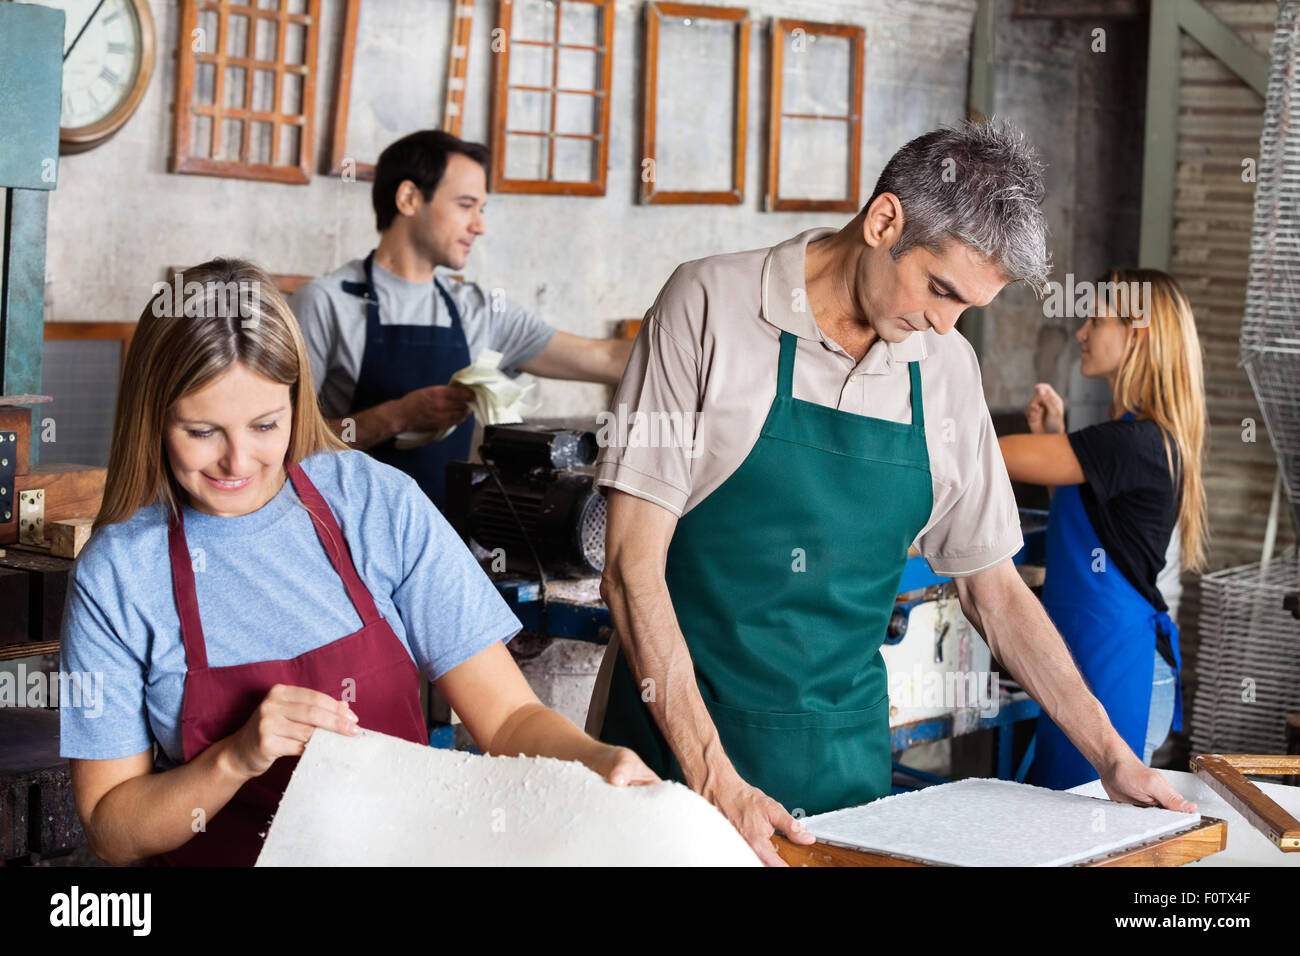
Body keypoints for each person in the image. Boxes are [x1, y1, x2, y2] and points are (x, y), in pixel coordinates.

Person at [587, 121, 1197, 867]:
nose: (944, 324)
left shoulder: (944, 367)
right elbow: (629, 566)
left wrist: (1112, 757)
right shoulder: (708, 303)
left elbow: (995, 591)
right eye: (940, 290)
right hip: (674, 774)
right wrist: (715, 779)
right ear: (883, 222)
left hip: (847, 784)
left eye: (967, 308)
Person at [59, 259, 655, 866]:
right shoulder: (118, 574)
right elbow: (112, 826)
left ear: (297, 400)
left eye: (265, 425)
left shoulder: (372, 502)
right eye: (202, 431)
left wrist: (594, 761)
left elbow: (507, 718)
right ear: (154, 419)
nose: (237, 461)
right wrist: (232, 759)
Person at [291, 129, 633, 510]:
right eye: (466, 205)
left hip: (445, 545)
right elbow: (282, 445)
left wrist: (699, 334)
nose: (479, 225)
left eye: (481, 209)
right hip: (341, 542)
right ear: (408, 198)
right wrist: (395, 417)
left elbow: (606, 358)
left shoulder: (480, 311)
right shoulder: (325, 303)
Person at [998, 269, 1207, 789]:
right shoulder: (1134, 440)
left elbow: (990, 455)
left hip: (1115, 666)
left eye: (1096, 318)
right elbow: (1087, 517)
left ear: (1136, 333)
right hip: (1086, 658)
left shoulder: (1133, 442)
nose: (1082, 332)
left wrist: (939, 412)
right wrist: (1052, 436)